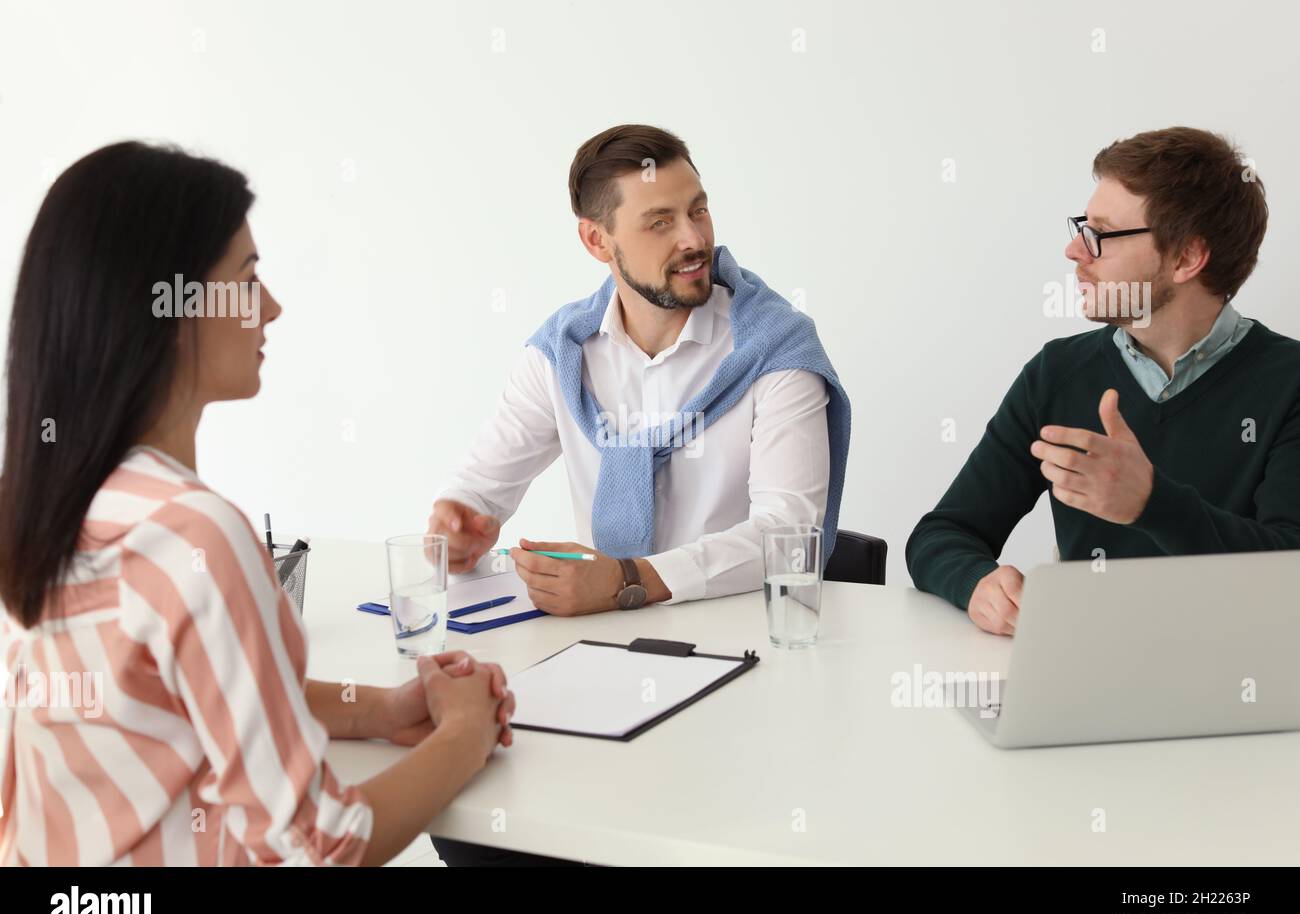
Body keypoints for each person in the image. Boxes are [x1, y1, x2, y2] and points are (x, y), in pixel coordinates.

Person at [0, 142, 515, 866]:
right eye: (246, 278)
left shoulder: (51, 507)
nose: (270, 307)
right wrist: (466, 735)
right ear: (168, 309)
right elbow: (320, 848)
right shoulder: (193, 536)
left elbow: (174, 698)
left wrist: (380, 709)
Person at [429, 124, 851, 618]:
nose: (694, 239)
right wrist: (457, 521)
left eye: (698, 210)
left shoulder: (777, 349)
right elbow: (480, 488)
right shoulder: (561, 354)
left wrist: (628, 581)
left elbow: (789, 536)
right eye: (660, 222)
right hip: (597, 641)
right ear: (596, 240)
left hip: (743, 636)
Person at [906, 127, 1300, 637]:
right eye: (1080, 227)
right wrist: (977, 583)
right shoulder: (1057, 374)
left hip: (1247, 680)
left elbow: (1289, 573)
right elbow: (942, 534)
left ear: (1185, 258)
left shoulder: (1287, 382)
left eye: (1101, 233)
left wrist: (1150, 501)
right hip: (1085, 671)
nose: (1075, 251)